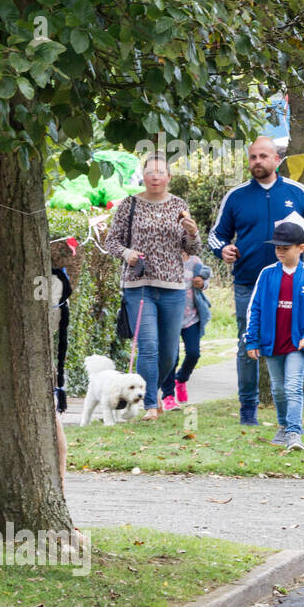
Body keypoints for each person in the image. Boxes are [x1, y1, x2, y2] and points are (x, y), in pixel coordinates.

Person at [209, 136, 304, 425]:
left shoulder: (297, 192)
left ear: (276, 159)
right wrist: (222, 248)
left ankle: (290, 406)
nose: (257, 162)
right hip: (249, 282)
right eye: (252, 157)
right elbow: (217, 234)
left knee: (294, 341)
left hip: (293, 285)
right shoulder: (236, 196)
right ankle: (248, 409)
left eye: (263, 156)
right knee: (247, 344)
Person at [103, 154, 201, 419]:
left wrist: (193, 232)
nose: (155, 176)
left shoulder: (179, 205)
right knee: (148, 347)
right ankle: (149, 405)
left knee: (169, 352)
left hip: (173, 287)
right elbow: (111, 242)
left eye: (160, 172)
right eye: (150, 172)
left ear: (169, 177)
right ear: (143, 177)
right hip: (139, 285)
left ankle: (148, 392)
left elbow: (192, 249)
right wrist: (126, 254)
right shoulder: (129, 204)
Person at [244, 222, 304, 451]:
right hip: (272, 342)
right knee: (278, 389)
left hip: (297, 344)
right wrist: (252, 339)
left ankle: (293, 433)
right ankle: (283, 425)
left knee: (293, 386)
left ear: (301, 247)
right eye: (277, 247)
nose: (280, 251)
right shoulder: (267, 274)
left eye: (285, 247)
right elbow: (255, 308)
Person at [158, 253, 214, 410]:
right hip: (170, 317)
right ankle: (168, 396)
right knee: (171, 357)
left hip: (192, 317)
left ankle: (181, 379)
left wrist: (201, 283)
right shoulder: (166, 258)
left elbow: (206, 281)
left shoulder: (195, 261)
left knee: (194, 353)